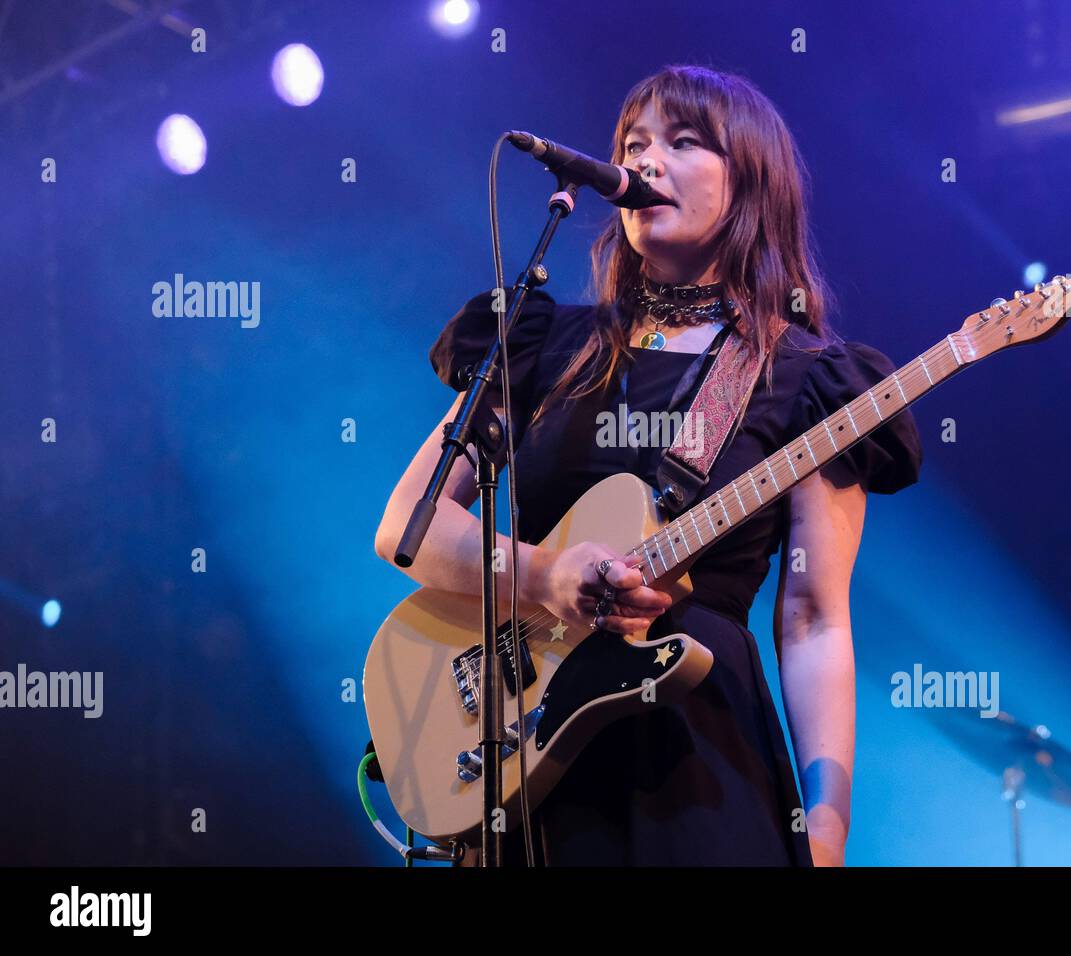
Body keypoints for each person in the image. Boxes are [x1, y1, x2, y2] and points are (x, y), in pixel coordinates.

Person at [375, 64, 922, 866]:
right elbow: (407, 530)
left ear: (753, 182)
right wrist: (544, 576)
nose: (648, 162)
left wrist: (829, 819)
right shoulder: (542, 346)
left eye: (684, 141)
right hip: (528, 756)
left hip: (700, 757)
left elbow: (813, 619)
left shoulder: (807, 377)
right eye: (634, 144)